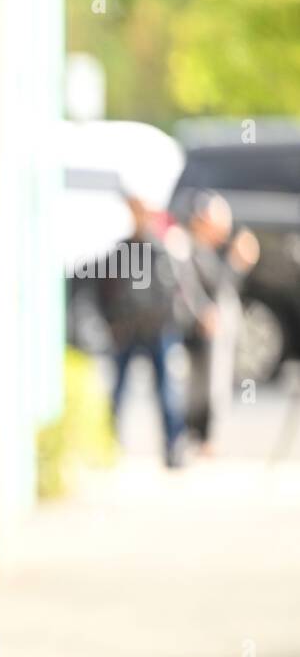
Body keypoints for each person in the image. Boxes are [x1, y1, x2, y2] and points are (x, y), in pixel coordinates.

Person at [98, 192, 208, 469]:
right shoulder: (120, 251)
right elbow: (106, 293)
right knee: (118, 392)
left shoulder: (163, 250)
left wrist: (195, 316)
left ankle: (174, 449)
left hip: (159, 330)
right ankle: (107, 447)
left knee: (168, 393)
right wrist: (111, 323)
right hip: (126, 331)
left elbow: (182, 289)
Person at [182, 190, 258, 456]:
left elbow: (224, 286)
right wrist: (201, 312)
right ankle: (197, 435)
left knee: (215, 381)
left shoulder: (215, 251)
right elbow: (196, 287)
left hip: (216, 325)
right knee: (199, 383)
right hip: (198, 325)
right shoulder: (189, 248)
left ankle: (206, 436)